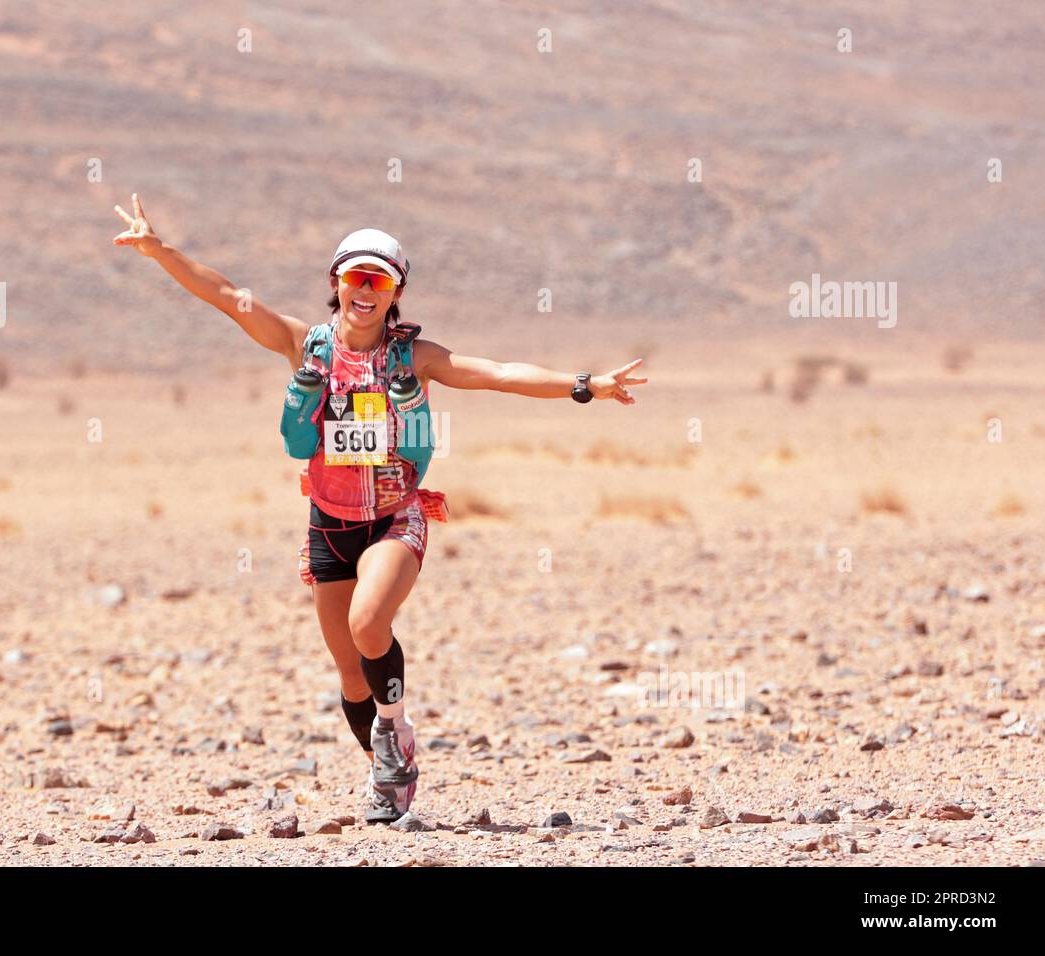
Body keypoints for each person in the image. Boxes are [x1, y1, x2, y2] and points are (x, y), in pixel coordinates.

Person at [112, 194, 648, 822]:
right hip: (329, 524)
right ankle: (387, 771)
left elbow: (498, 372)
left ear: (396, 293)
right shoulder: (302, 345)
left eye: (380, 280)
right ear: (336, 284)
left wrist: (586, 384)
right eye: (354, 278)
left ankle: (394, 730)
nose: (365, 290)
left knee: (370, 624)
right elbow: (226, 296)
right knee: (350, 673)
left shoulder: (412, 357)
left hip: (395, 515)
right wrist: (158, 250)